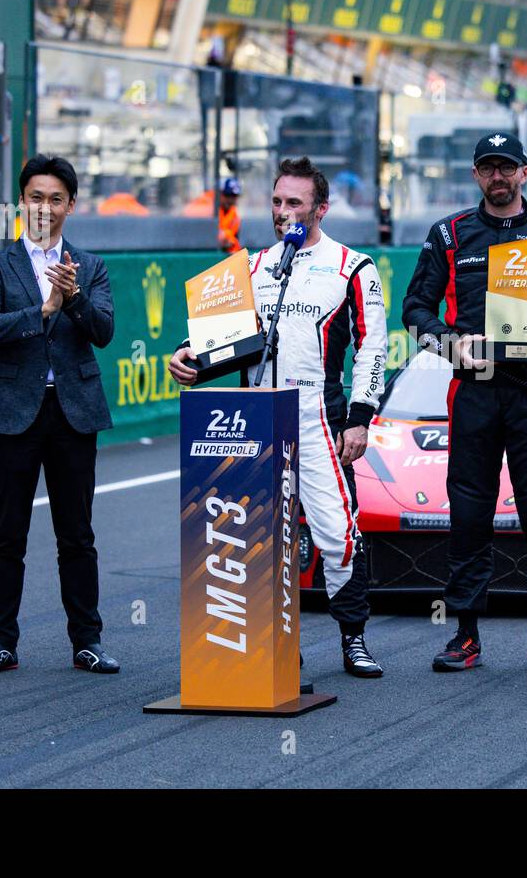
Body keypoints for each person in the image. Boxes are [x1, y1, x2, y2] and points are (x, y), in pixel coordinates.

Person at [168, 157, 388, 679]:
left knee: (337, 535)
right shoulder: (250, 265)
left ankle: (352, 637)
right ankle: (271, 644)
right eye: (276, 201)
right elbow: (217, 340)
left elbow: (373, 348)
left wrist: (360, 417)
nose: (283, 211)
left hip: (316, 413)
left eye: (294, 203)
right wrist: (186, 359)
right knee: (258, 536)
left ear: (320, 208)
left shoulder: (353, 266)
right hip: (253, 415)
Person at [401, 131, 527, 676]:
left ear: (525, 173)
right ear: (476, 175)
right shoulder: (448, 235)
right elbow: (415, 310)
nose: (498, 176)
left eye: (507, 167)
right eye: (488, 168)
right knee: (469, 514)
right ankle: (465, 634)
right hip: (474, 390)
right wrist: (447, 342)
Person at [0, 154, 119, 676]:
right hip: (14, 415)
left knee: (76, 533)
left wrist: (73, 300)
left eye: (56, 199)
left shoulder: (91, 266)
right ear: (21, 202)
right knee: (6, 531)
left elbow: (103, 331)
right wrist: (44, 310)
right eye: (36, 197)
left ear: (71, 205)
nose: (45, 208)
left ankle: (88, 641)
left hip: (74, 413)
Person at [218, 176, 242, 253]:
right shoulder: (211, 210)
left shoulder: (235, 215)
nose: (230, 200)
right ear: (221, 194)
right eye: (228, 195)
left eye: (234, 196)